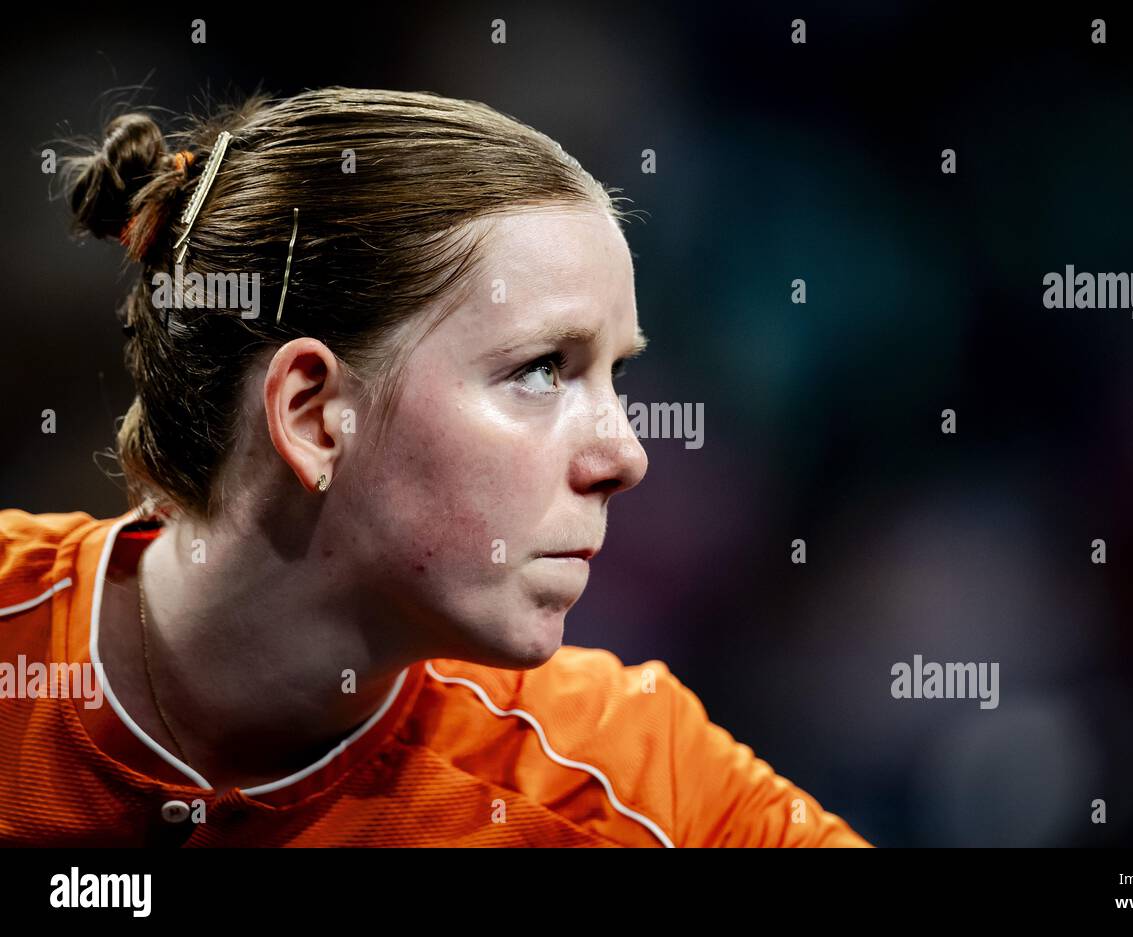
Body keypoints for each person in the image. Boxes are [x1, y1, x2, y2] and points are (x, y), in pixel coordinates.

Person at [0, 88, 870, 847]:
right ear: (312, 415)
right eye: (542, 369)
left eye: (618, 373)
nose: (627, 456)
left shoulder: (636, 784)